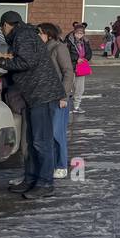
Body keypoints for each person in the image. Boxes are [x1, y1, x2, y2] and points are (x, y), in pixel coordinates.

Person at [0, 11, 67, 199]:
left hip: (42, 95)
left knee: (41, 141)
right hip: (32, 94)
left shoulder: (23, 35)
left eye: (2, 27)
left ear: (6, 25)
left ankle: (45, 183)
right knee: (31, 140)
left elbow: (26, 62)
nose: (3, 31)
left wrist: (2, 62)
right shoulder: (24, 34)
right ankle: (31, 179)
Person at [39, 23, 75, 179]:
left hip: (58, 97)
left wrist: (64, 96)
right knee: (48, 134)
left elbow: (68, 72)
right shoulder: (42, 49)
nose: (37, 36)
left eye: (39, 33)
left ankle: (61, 165)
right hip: (45, 97)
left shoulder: (59, 48)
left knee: (57, 133)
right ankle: (52, 164)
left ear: (48, 34)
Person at [66, 22, 93, 115]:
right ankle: (66, 107)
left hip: (81, 67)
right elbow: (65, 54)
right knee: (68, 87)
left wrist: (86, 58)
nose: (79, 35)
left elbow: (89, 52)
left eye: (81, 33)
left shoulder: (85, 41)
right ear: (74, 32)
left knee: (79, 88)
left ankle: (76, 107)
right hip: (71, 67)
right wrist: (76, 59)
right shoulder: (68, 41)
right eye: (78, 33)